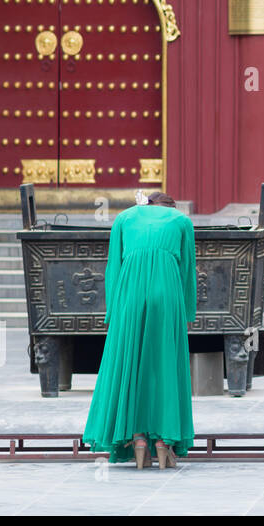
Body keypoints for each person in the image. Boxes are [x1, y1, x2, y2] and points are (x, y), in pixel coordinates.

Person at [83, 191, 197, 469]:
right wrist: (188, 312)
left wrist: (112, 311)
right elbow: (188, 271)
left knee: (129, 365)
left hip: (130, 294)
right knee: (164, 365)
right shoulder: (182, 221)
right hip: (167, 292)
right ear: (170, 206)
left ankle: (138, 440)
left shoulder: (123, 218)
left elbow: (114, 267)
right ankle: (163, 442)